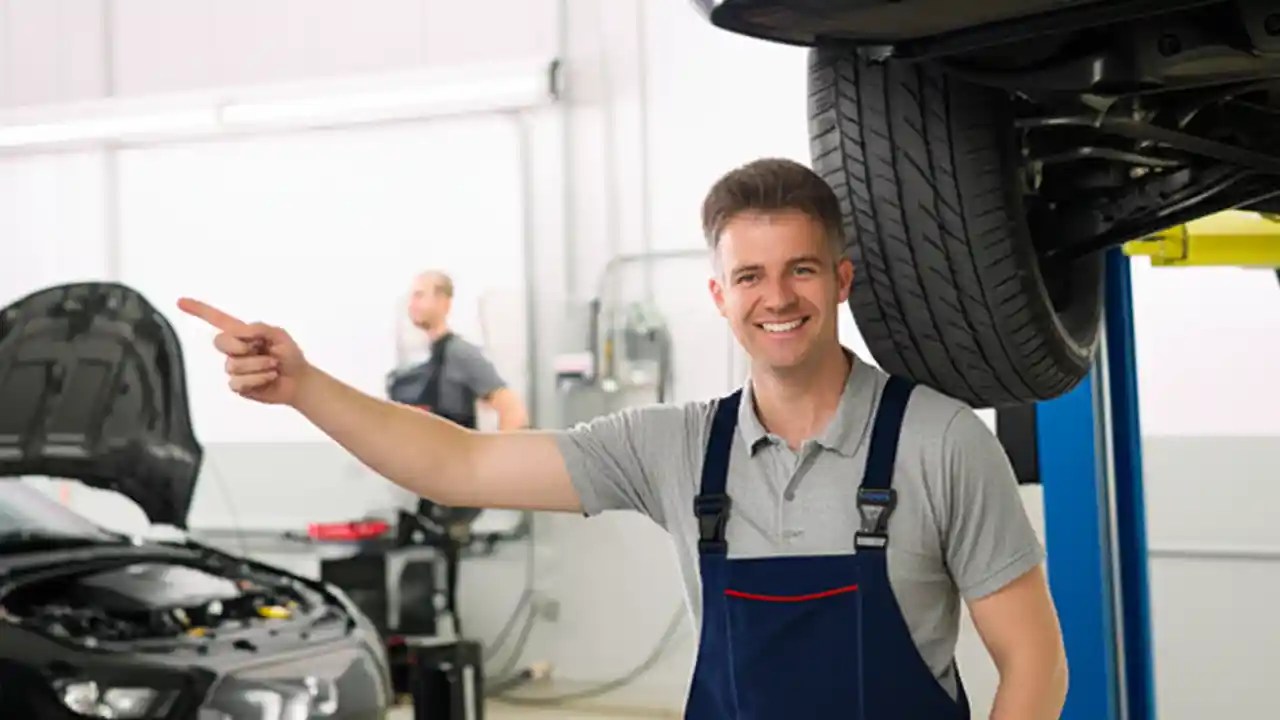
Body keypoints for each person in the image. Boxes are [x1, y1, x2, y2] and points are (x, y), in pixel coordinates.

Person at [178, 157, 1068, 719]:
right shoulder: (675, 448)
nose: (778, 297)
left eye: (800, 269)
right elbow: (456, 463)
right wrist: (303, 387)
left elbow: (1033, 663)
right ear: (720, 297)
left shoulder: (943, 440)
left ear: (840, 279)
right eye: (748, 275)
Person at [390, 269, 529, 432]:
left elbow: (513, 411)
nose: (411, 304)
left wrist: (497, 455)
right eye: (411, 297)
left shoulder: (460, 353)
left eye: (419, 295)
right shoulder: (420, 360)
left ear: (444, 302)